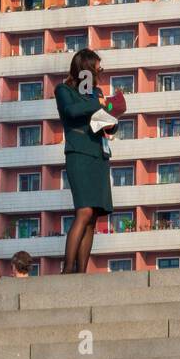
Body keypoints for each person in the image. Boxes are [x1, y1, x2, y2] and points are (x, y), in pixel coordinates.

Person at [54, 48, 126, 274]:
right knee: (83, 211)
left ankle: (81, 271)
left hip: (98, 155)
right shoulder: (64, 90)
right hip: (79, 153)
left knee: (93, 217)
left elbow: (106, 123)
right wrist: (99, 104)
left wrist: (112, 115)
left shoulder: (96, 93)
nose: (99, 73)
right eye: (97, 68)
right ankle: (67, 269)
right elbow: (71, 112)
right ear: (85, 69)